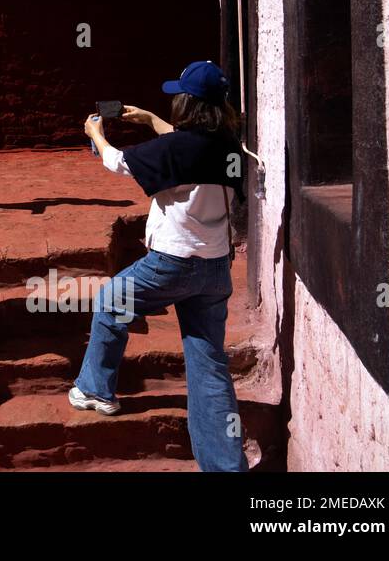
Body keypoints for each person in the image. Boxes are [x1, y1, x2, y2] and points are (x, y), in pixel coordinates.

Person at [73, 60, 249, 472]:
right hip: (215, 269)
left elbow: (119, 162)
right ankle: (226, 466)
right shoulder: (228, 145)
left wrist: (96, 134)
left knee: (110, 302)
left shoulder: (177, 148)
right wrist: (152, 120)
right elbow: (190, 149)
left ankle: (96, 389)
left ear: (186, 103)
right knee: (208, 366)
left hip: (174, 263)